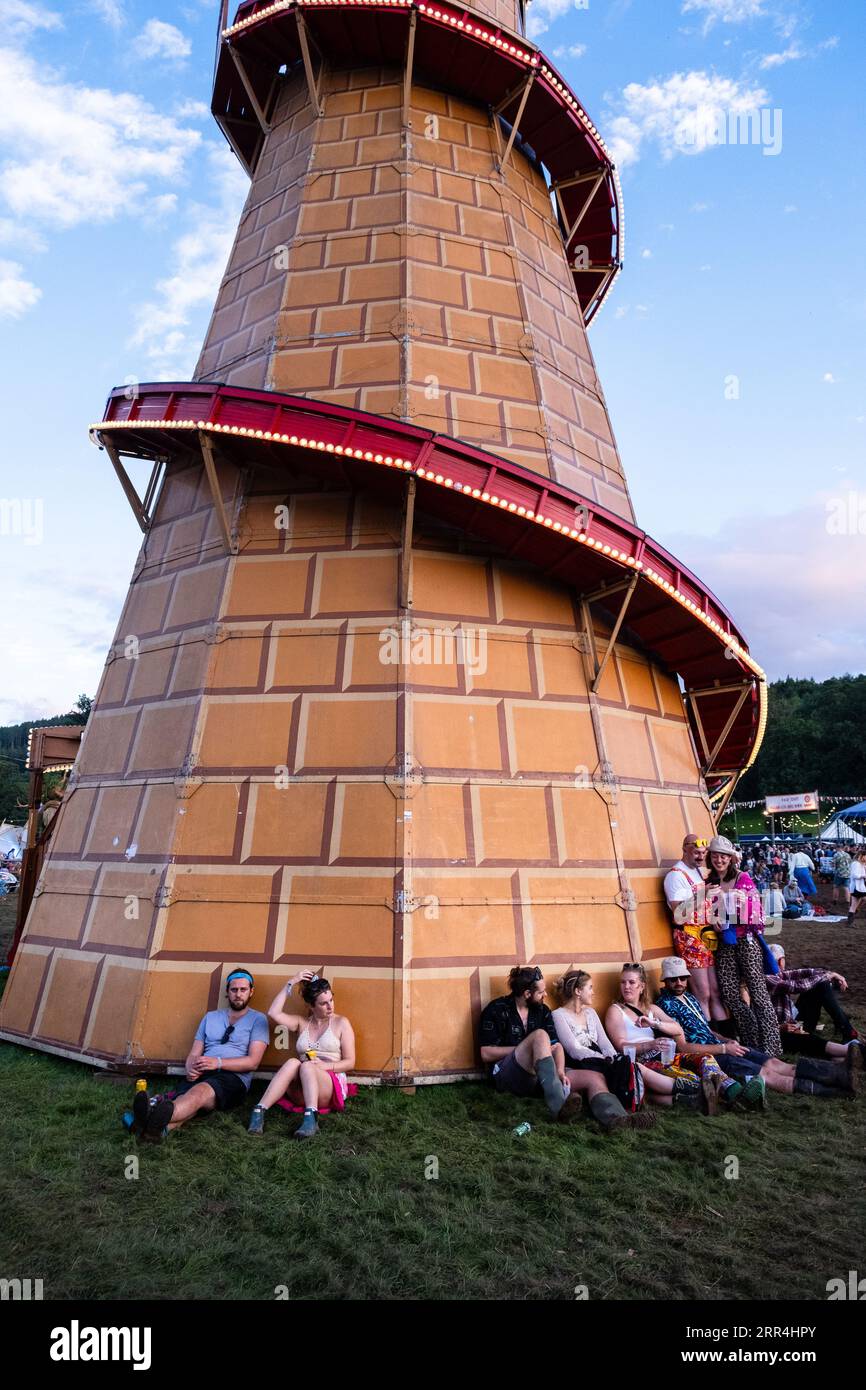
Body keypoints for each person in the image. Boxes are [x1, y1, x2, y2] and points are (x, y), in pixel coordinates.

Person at [657, 958, 861, 1102]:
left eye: (682, 978)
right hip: (709, 1057)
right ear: (665, 981)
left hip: (723, 1046)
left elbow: (706, 1029)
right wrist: (723, 1050)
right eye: (673, 979)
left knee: (776, 1063)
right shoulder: (664, 1006)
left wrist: (725, 1040)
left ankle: (840, 1077)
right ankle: (836, 1091)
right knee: (769, 1075)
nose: (678, 983)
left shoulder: (690, 997)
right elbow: (682, 1047)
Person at [129, 969, 269, 1141]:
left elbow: (253, 1062)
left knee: (199, 1092)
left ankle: (146, 1116)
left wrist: (217, 1063)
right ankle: (155, 1130)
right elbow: (194, 1053)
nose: (238, 994)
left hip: (233, 1078)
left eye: (243, 990)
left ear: (251, 991)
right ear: (227, 992)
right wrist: (190, 1069)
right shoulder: (210, 1017)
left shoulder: (258, 1019)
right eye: (234, 990)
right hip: (202, 1071)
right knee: (191, 1101)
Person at [248, 970, 356, 1138]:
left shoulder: (341, 1023)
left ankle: (311, 1118)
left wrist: (323, 1065)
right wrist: (291, 982)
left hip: (328, 1084)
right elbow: (273, 1013)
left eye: (331, 1000)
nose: (330, 1006)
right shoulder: (301, 1022)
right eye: (323, 1003)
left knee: (305, 1065)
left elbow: (350, 1062)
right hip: (301, 1087)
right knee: (293, 1062)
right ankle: (259, 1111)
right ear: (311, 1006)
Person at [705, 835, 783, 1057]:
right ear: (710, 858)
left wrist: (743, 903)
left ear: (731, 859)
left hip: (747, 941)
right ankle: (752, 1042)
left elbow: (759, 916)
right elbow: (705, 913)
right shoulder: (709, 882)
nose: (719, 860)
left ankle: (771, 1047)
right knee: (729, 994)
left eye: (723, 856)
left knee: (758, 993)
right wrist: (714, 921)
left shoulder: (743, 878)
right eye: (715, 855)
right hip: (724, 943)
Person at [551, 970, 656, 1132]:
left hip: (598, 1062)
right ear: (578, 992)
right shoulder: (558, 1015)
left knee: (623, 1068)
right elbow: (574, 1050)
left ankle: (631, 1112)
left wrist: (614, 1059)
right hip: (574, 1066)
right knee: (599, 1077)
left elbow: (605, 1043)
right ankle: (618, 1119)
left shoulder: (591, 1013)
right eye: (590, 987)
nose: (594, 992)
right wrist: (605, 1060)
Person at [479, 966, 583, 1121]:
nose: (545, 995)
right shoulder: (496, 1009)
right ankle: (558, 1106)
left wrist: (560, 1072)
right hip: (505, 1076)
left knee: (592, 1078)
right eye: (541, 992)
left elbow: (557, 1046)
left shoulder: (543, 1011)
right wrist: (527, 1048)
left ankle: (616, 1117)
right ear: (527, 994)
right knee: (540, 1036)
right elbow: (485, 1054)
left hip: (535, 1077)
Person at [604, 963, 712, 1112]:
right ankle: (708, 1093)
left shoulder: (651, 1009)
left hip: (662, 1054)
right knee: (690, 1079)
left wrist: (655, 1024)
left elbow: (677, 1028)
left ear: (641, 986)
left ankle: (727, 1087)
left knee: (705, 1058)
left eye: (631, 982)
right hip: (642, 1059)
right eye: (623, 982)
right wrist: (650, 1045)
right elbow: (621, 1045)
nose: (626, 986)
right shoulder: (615, 1010)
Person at [663, 832, 727, 1026]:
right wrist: (704, 893)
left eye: (703, 852)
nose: (701, 857)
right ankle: (708, 1035)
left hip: (707, 934)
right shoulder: (675, 876)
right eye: (696, 852)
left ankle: (728, 1035)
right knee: (703, 992)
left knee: (716, 990)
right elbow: (679, 915)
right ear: (684, 849)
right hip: (689, 936)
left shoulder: (699, 871)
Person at [765, 943, 860, 1053]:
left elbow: (806, 972)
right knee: (820, 983)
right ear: (781, 961)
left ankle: (846, 1031)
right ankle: (848, 1032)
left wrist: (831, 974)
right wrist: (826, 976)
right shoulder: (767, 979)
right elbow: (798, 986)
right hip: (784, 1030)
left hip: (793, 1024)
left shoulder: (778, 975)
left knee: (821, 983)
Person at [847, 849, 866, 927]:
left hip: (859, 886)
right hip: (857, 887)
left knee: (854, 904)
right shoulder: (856, 864)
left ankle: (850, 920)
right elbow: (855, 875)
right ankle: (852, 918)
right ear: (862, 856)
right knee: (855, 904)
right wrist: (864, 876)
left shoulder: (860, 864)